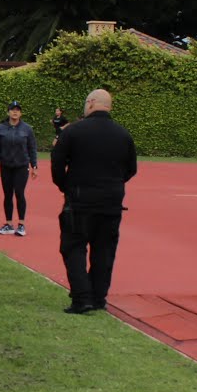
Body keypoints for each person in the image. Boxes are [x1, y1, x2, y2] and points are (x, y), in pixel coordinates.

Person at [51, 88, 138, 315]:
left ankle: (81, 297)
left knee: (73, 247)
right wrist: (113, 184)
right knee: (104, 250)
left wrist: (66, 186)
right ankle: (99, 297)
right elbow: (131, 169)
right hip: (111, 202)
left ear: (90, 103)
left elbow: (57, 162)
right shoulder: (123, 135)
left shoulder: (73, 132)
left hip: (79, 200)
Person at [0, 100, 38, 236]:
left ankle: (21, 224)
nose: (15, 112)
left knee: (19, 193)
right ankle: (9, 224)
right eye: (12, 109)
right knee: (7, 195)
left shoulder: (27, 129)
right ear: (8, 112)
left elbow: (32, 148)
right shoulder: (0, 129)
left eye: (17, 110)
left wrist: (34, 165)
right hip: (6, 166)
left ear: (21, 113)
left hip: (22, 166)